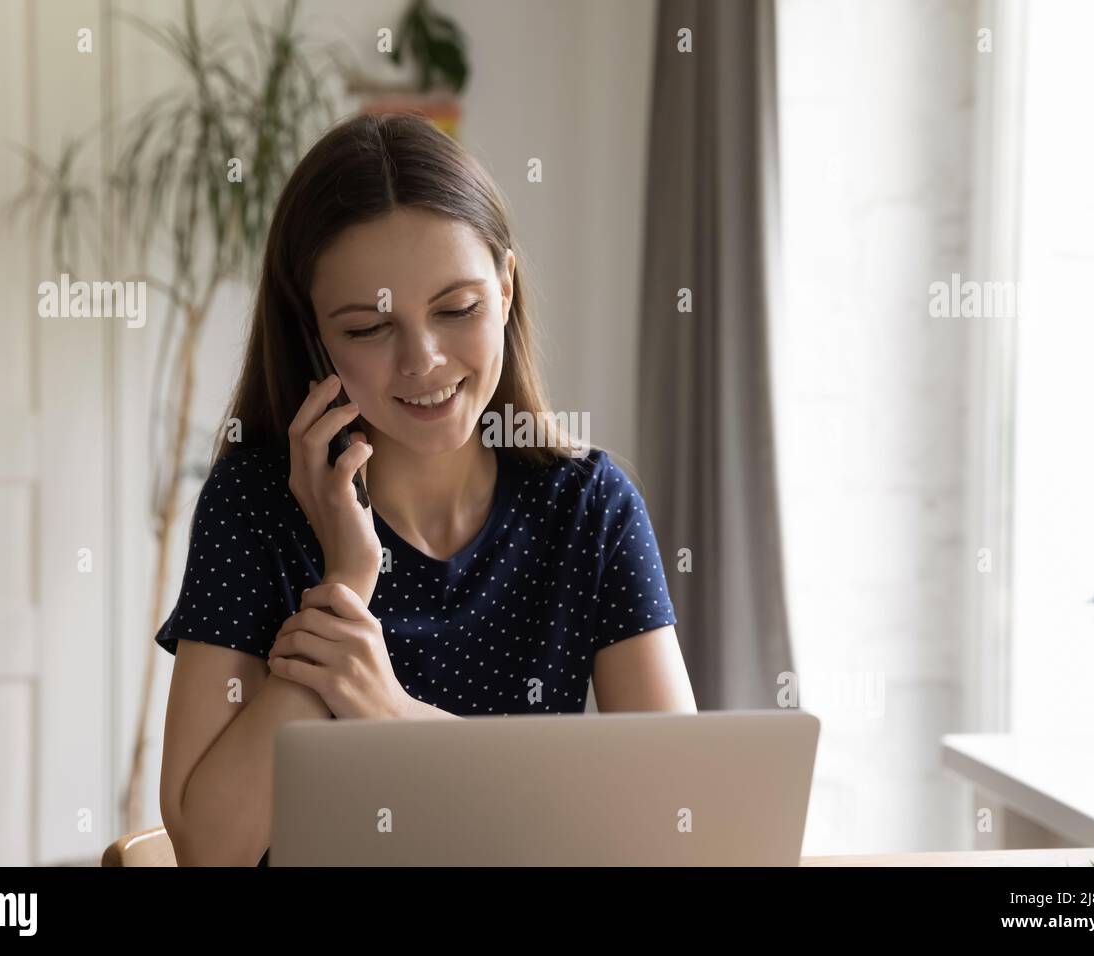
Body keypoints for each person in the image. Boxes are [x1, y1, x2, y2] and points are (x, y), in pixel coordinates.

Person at [155, 112, 696, 867]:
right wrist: (346, 585)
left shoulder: (588, 507)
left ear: (505, 291)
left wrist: (391, 716)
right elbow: (210, 847)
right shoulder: (255, 501)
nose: (424, 360)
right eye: (369, 329)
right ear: (313, 334)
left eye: (457, 309)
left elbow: (679, 817)